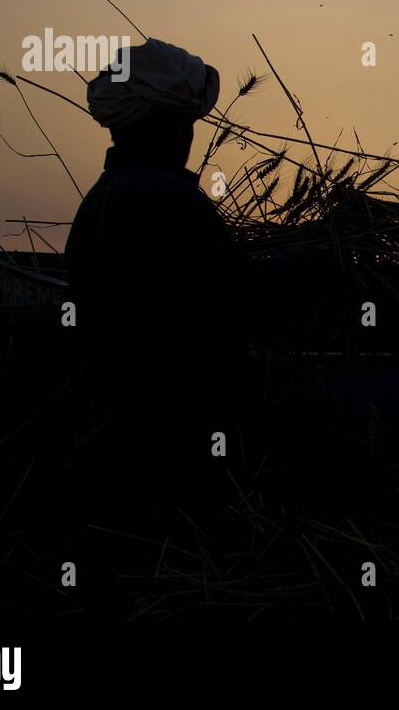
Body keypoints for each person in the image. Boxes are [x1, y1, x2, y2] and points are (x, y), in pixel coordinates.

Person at [56, 38, 238, 607]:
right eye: (185, 122)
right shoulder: (168, 201)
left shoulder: (102, 201)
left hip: (110, 449)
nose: (190, 136)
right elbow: (234, 301)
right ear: (163, 126)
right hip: (163, 454)